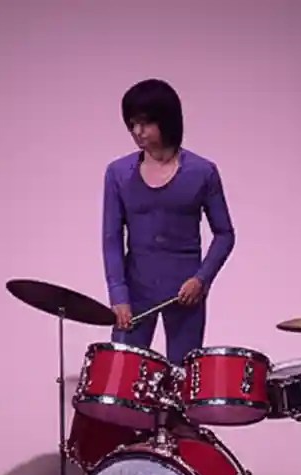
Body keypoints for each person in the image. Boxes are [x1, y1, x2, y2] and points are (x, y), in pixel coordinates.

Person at [102, 78, 236, 365]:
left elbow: (225, 234)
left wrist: (201, 280)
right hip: (136, 291)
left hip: (185, 292)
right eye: (132, 124)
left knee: (182, 379)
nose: (138, 132)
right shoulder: (118, 173)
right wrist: (118, 296)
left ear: (167, 121)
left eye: (146, 124)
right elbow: (111, 239)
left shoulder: (203, 172)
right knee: (125, 375)